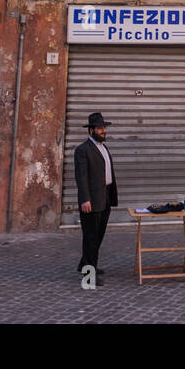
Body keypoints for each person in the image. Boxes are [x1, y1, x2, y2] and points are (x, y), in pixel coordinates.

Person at [74, 111, 117, 285]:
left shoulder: (103, 147)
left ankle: (86, 264)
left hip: (105, 197)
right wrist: (85, 199)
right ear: (91, 131)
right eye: (100, 128)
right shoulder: (82, 150)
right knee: (90, 237)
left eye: (104, 128)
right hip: (91, 200)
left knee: (98, 235)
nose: (103, 131)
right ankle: (88, 276)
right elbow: (81, 177)